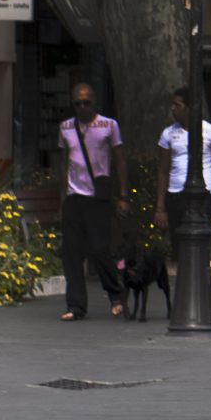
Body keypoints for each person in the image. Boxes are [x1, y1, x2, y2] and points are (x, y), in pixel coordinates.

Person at [58, 81, 127, 320]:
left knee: (100, 250)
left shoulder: (109, 125)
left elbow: (120, 160)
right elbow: (64, 162)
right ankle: (75, 306)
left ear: (94, 102)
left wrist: (124, 195)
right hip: (74, 197)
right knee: (71, 252)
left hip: (98, 197)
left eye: (86, 103)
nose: (82, 107)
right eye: (77, 103)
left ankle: (115, 294)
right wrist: (62, 198)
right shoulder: (66, 127)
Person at [155, 89, 211, 248]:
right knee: (177, 245)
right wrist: (160, 208)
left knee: (201, 244)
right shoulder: (168, 133)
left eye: (177, 105)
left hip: (203, 196)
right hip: (175, 194)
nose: (173, 108)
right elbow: (163, 170)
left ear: (188, 108)